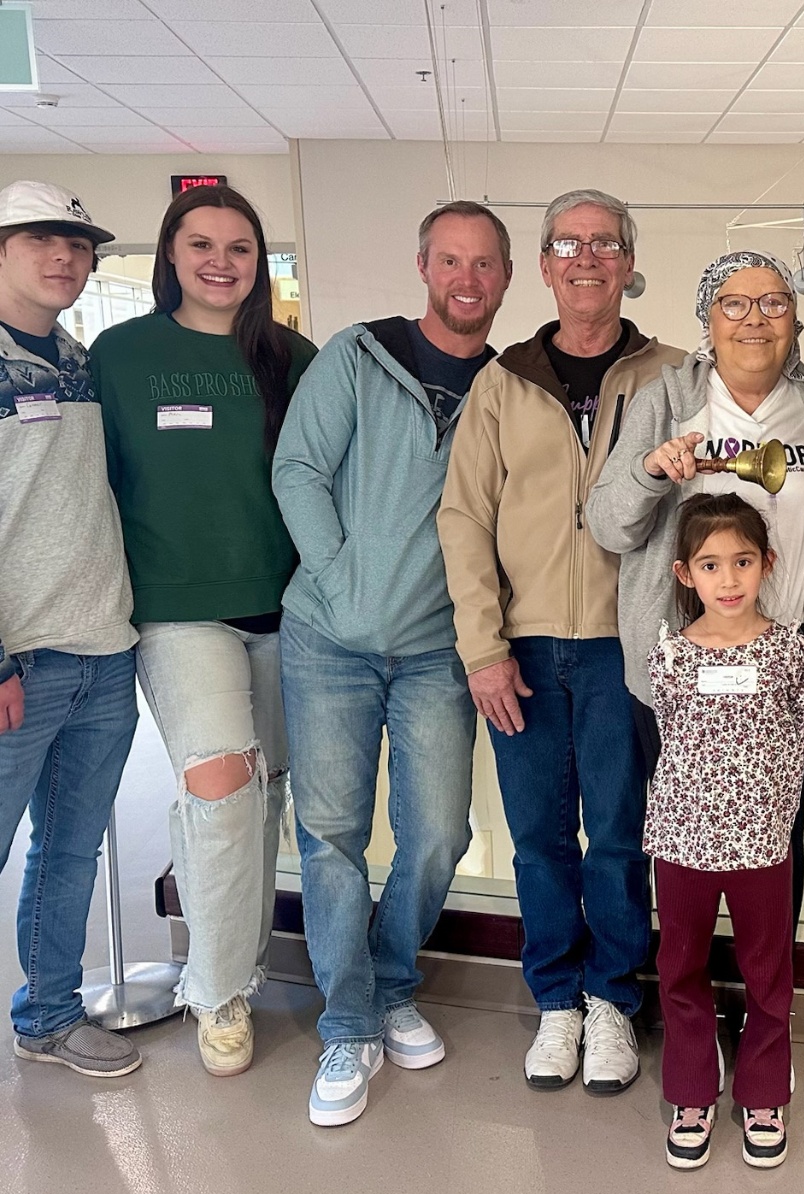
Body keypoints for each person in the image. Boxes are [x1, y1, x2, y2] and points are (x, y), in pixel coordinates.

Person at [437, 188, 686, 1097]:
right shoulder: (502, 384)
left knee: (620, 833)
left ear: (627, 262)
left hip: (634, 646)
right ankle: (556, 1001)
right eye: (568, 244)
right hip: (527, 651)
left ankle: (614, 999)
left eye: (606, 243)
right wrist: (482, 647)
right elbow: (464, 518)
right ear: (543, 265)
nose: (588, 258)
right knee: (539, 837)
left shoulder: (674, 377)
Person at [271, 201, 513, 1127]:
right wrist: (341, 577)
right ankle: (349, 1022)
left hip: (437, 653)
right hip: (327, 637)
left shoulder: (503, 386)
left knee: (439, 834)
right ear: (423, 266)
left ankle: (390, 982)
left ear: (503, 277)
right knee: (330, 837)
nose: (467, 279)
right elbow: (297, 469)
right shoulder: (356, 355)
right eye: (450, 260)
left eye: (484, 264)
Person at [94, 184, 316, 1078]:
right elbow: (89, 484)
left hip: (287, 608)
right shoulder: (119, 355)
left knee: (259, 796)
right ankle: (219, 990)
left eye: (239, 247)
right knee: (222, 784)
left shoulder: (291, 357)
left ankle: (237, 956)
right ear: (170, 254)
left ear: (259, 263)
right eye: (201, 244)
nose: (220, 261)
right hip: (178, 610)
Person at [587, 249, 804, 927]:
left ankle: (765, 1001)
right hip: (685, 658)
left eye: (774, 303)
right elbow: (609, 524)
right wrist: (652, 470)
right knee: (682, 837)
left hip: (784, 655)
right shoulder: (670, 400)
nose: (755, 319)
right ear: (708, 318)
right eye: (734, 303)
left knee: (776, 836)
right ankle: (687, 998)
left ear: (794, 319)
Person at [0, 181, 143, 1078]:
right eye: (44, 240)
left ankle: (49, 1016)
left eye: (80, 246)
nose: (65, 258)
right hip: (20, 659)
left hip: (103, 651)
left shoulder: (80, 359)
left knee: (69, 851)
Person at [643, 494, 804, 1172]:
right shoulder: (669, 657)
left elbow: (797, 737)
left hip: (761, 844)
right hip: (682, 841)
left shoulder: (789, 652)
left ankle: (766, 1091)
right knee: (679, 966)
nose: (730, 579)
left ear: (766, 564)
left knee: (768, 972)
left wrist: (771, 817)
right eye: (711, 565)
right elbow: (670, 736)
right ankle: (692, 1090)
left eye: (743, 561)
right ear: (686, 574)